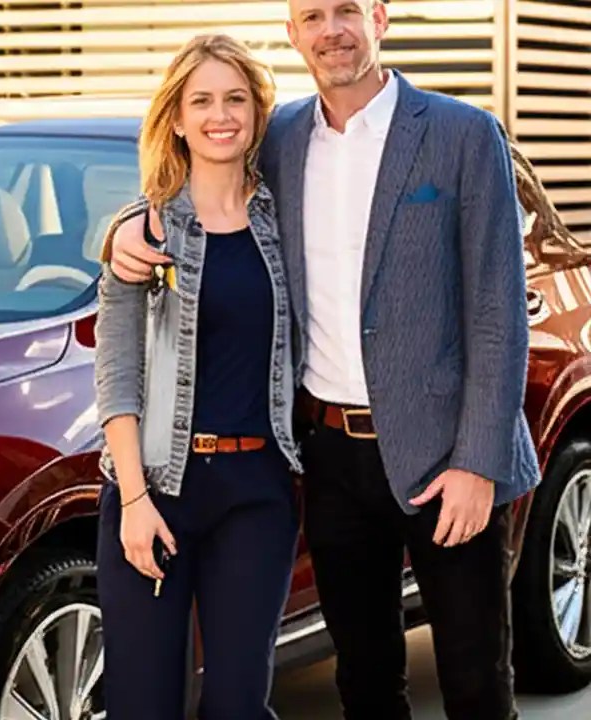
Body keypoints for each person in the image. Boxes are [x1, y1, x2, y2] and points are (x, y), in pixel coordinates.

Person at [104, 1, 540, 719]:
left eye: (347, 11)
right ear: (293, 34)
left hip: (448, 459)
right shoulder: (278, 139)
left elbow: (499, 312)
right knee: (364, 682)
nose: (331, 30)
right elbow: (195, 187)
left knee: (475, 683)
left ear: (380, 18)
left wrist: (479, 464)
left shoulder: (462, 135)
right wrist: (125, 225)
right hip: (331, 459)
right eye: (312, 15)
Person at [93, 33, 302, 719]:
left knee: (239, 703)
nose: (221, 115)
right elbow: (117, 376)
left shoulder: (286, 220)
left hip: (256, 492)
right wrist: (133, 502)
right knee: (143, 703)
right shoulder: (144, 233)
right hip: (155, 489)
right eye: (203, 100)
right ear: (176, 118)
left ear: (257, 112)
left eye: (236, 98)